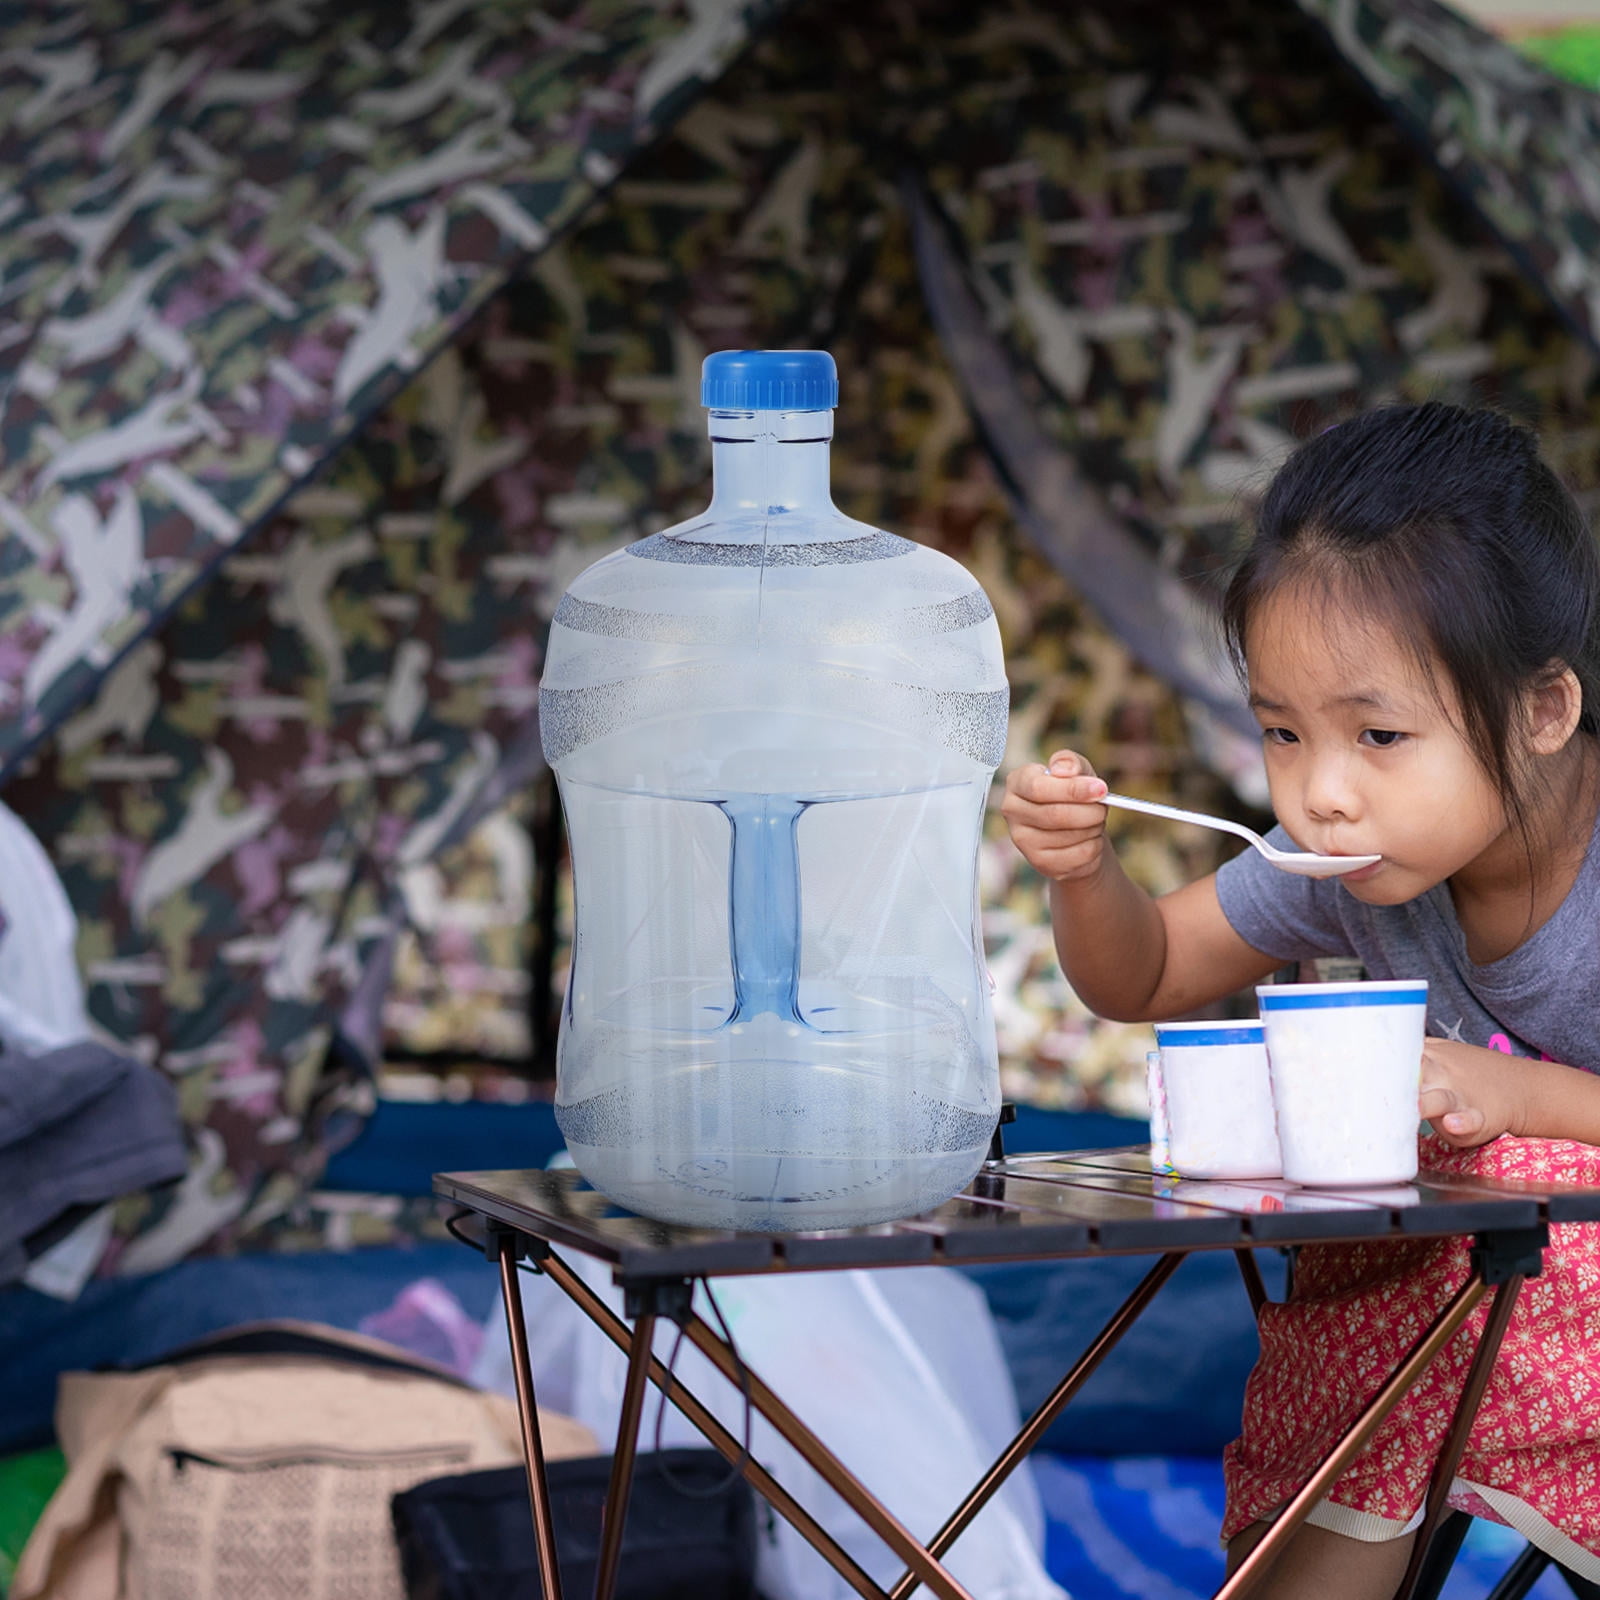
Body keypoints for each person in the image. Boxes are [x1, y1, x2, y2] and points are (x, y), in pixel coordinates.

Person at [1002, 402, 1600, 1599]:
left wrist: (1516, 1095)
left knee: (1449, 1268)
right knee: (1393, 1276)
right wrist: (1085, 875)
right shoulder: (1353, 867)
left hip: (1528, 1312)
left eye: (1378, 733)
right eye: (1281, 730)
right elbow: (1150, 973)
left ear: (1544, 710)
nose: (1321, 791)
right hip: (1450, 1306)